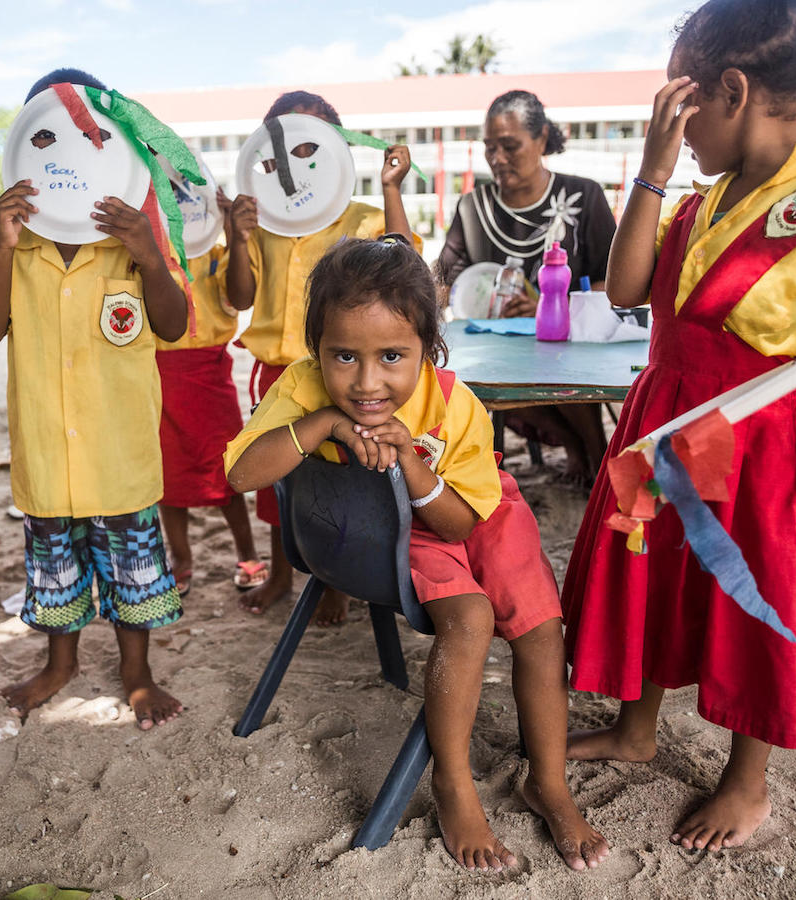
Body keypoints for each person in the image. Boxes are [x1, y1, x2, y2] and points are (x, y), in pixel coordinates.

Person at [225, 236, 609, 872]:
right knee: (471, 619)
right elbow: (242, 473)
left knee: (542, 628)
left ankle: (550, 782)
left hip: (468, 509)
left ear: (428, 353)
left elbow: (460, 523)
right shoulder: (303, 387)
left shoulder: (456, 406)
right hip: (391, 531)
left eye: (393, 357)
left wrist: (407, 456)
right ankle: (453, 785)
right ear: (315, 348)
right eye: (343, 355)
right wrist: (322, 424)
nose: (367, 382)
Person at [562, 0, 796, 853]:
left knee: (751, 592)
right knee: (657, 572)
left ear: (731, 90)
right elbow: (624, 288)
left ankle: (747, 781)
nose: (673, 125)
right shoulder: (700, 198)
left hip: (759, 440)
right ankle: (637, 726)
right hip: (667, 416)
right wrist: (650, 169)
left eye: (679, 103)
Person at [0, 68, 186, 730]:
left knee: (133, 575)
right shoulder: (16, 241)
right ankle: (60, 665)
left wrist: (149, 258)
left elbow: (173, 324)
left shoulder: (135, 237)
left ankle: (136, 673)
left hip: (121, 460)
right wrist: (1, 247)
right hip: (46, 458)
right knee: (55, 573)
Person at [227, 90, 414, 624]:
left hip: (343, 379)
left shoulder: (362, 218)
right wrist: (237, 239)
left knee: (341, 477)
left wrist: (391, 188)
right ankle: (284, 575)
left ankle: (335, 580)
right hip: (273, 377)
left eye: (311, 147)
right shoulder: (262, 223)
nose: (296, 164)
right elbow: (240, 299)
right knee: (277, 478)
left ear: (335, 148)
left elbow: (407, 270)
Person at [437, 90, 617, 487]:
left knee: (558, 358)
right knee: (486, 376)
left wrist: (551, 309)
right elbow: (444, 280)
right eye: (489, 147)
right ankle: (576, 445)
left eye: (510, 146)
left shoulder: (583, 197)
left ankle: (598, 454)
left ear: (542, 138)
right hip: (499, 349)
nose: (497, 158)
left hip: (572, 344)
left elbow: (615, 282)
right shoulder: (473, 207)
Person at [155, 189, 261, 597]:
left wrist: (235, 235)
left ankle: (248, 552)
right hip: (158, 374)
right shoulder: (147, 250)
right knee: (169, 476)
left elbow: (240, 297)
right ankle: (181, 558)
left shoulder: (217, 251)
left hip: (209, 374)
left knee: (224, 470)